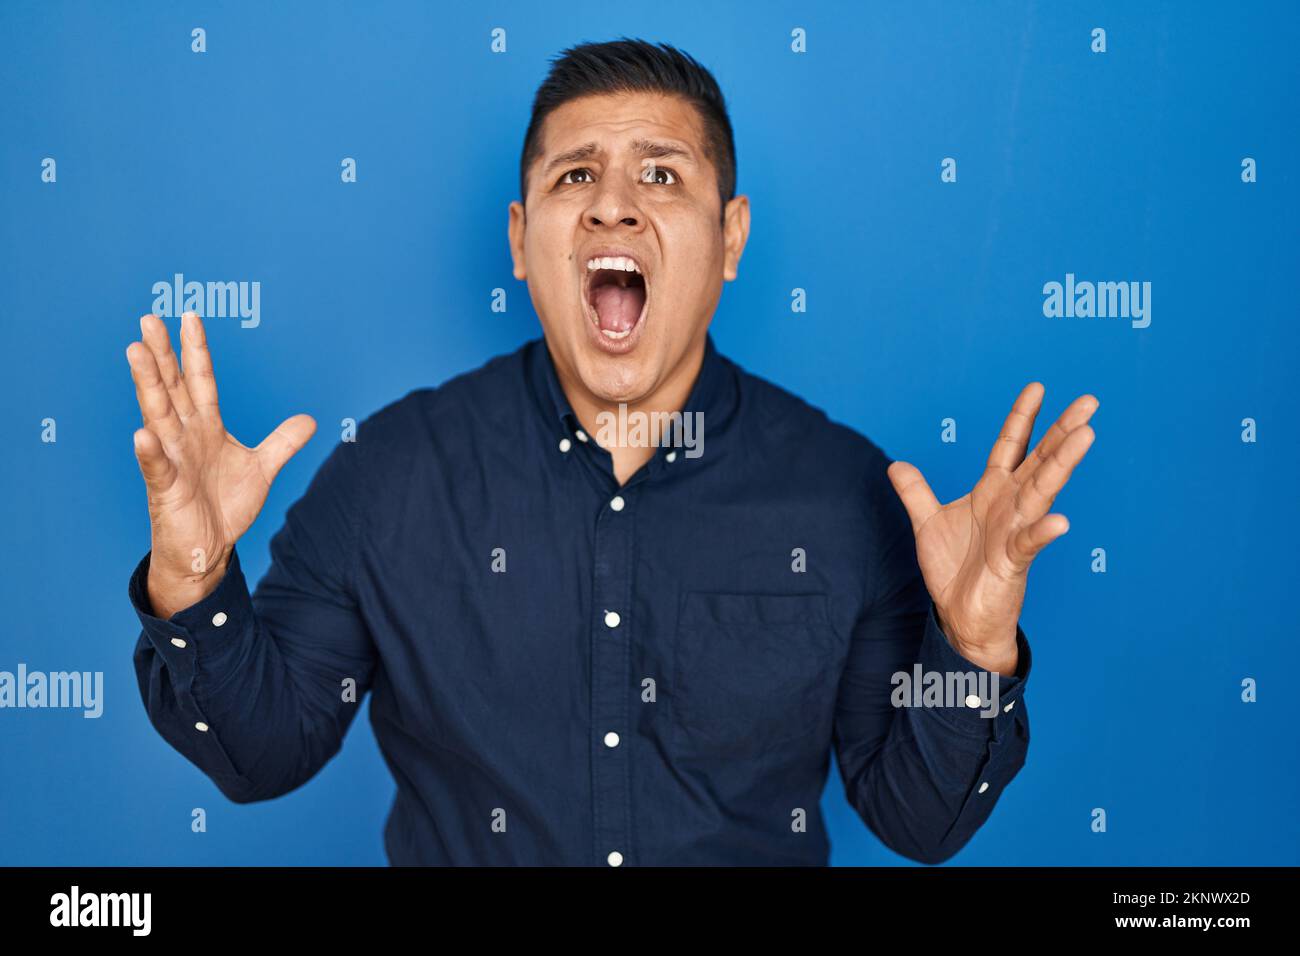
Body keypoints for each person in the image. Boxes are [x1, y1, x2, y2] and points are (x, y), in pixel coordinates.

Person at [123, 39, 1096, 866]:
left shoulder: (842, 495)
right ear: (519, 238)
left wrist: (970, 651)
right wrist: (195, 577)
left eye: (660, 174)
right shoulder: (390, 474)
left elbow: (919, 818)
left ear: (730, 237)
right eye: (574, 175)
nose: (613, 207)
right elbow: (259, 754)